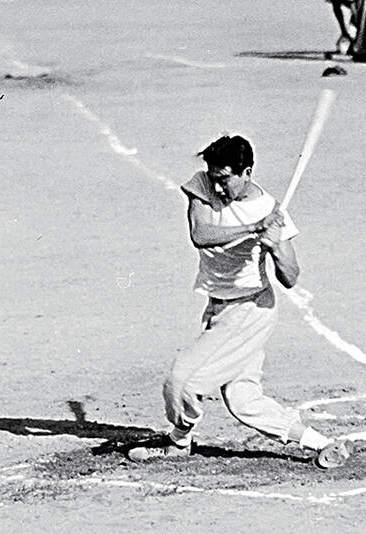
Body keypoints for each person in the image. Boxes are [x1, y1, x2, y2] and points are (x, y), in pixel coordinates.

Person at [127, 135, 353, 469]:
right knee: (244, 400)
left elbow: (290, 277)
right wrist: (253, 227)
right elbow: (201, 235)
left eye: (225, 179)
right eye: (213, 176)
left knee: (183, 381)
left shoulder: (270, 210)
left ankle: (178, 442)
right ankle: (324, 444)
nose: (217, 186)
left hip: (250, 311)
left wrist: (275, 247)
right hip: (218, 308)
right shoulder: (204, 186)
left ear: (246, 172)